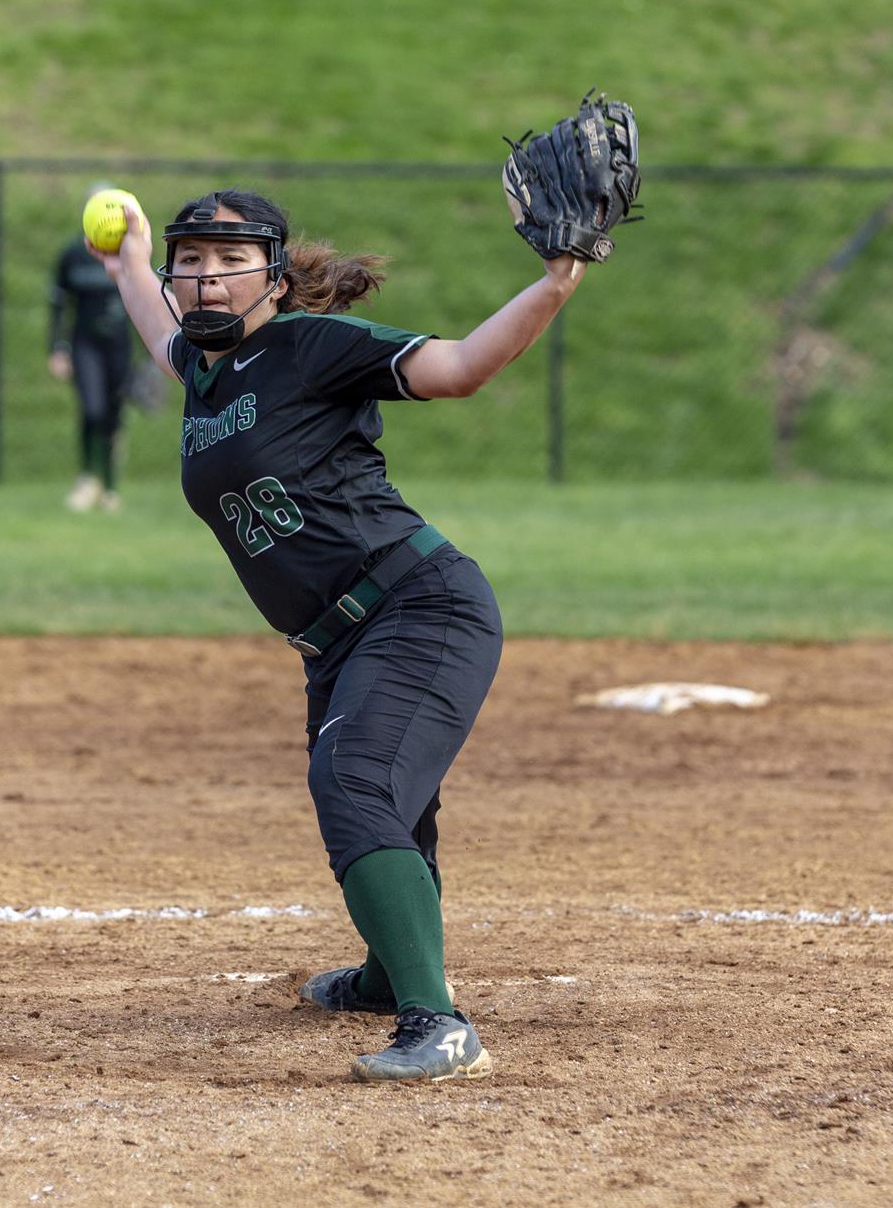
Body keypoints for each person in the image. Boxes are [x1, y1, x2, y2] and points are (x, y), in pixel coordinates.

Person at [88, 187, 587, 1082]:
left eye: (229, 262)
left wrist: (558, 279)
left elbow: (463, 366)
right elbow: (158, 335)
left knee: (354, 780)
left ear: (274, 278)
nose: (205, 280)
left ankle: (439, 1025)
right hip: (335, 638)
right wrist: (126, 256)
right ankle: (391, 975)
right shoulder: (204, 368)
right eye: (190, 261)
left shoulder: (311, 347)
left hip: (417, 606)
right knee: (390, 799)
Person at [49, 187, 138, 512]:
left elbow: (145, 303)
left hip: (119, 344)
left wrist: (153, 358)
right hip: (84, 344)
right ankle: (88, 479)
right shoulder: (73, 253)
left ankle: (111, 488)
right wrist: (56, 348)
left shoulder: (130, 256)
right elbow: (58, 304)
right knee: (92, 410)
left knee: (114, 413)